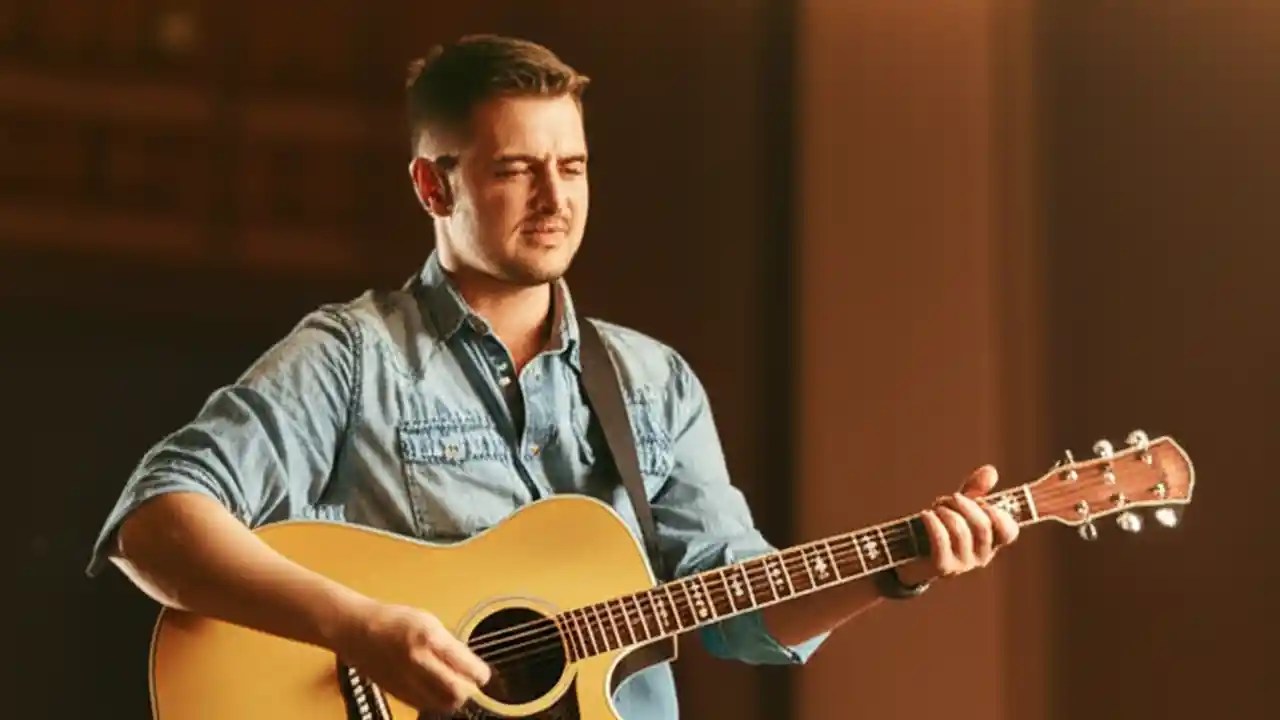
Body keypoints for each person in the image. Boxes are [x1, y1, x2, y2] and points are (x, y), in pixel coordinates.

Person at [87, 34, 1019, 718]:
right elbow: (157, 524)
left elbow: (737, 610)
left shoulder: (652, 382)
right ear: (433, 187)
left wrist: (895, 569)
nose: (556, 198)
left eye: (572, 166)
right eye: (517, 170)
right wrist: (361, 629)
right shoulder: (353, 355)